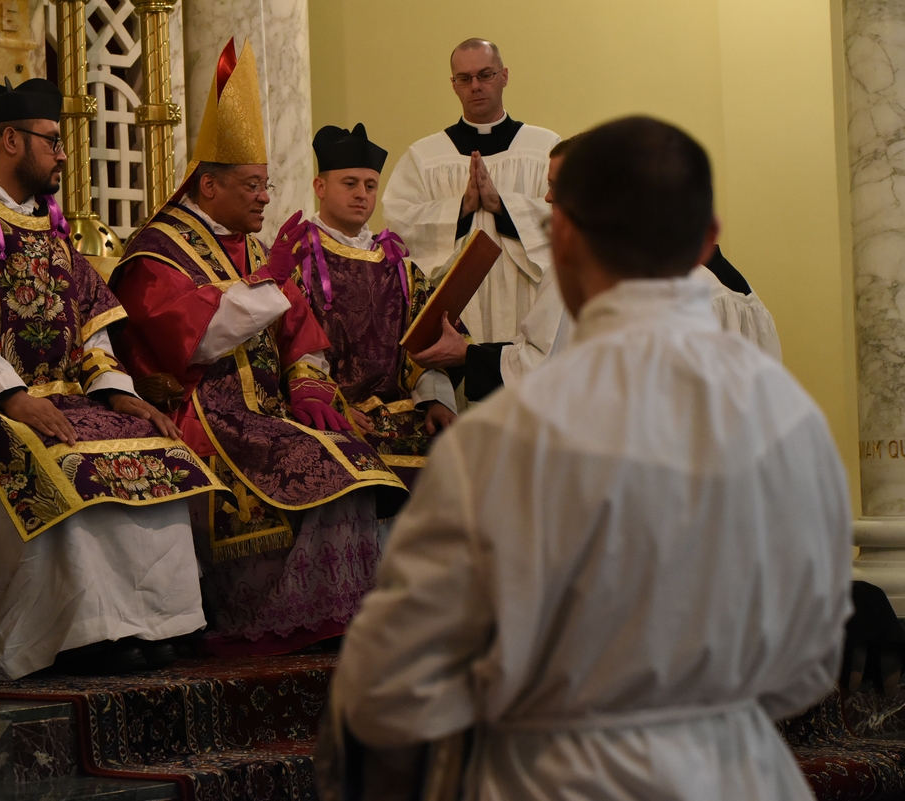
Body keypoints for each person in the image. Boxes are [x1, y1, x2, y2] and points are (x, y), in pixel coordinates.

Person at [331, 116, 851, 799]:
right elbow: (814, 658)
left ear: (563, 235)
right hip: (741, 769)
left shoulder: (504, 439)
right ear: (708, 240)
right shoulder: (791, 420)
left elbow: (389, 692)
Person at [111, 41, 408, 657]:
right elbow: (196, 339)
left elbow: (301, 331)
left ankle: (334, 617)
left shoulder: (249, 245)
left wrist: (308, 385)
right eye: (252, 185)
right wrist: (271, 278)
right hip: (203, 413)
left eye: (268, 186)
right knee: (327, 469)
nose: (265, 198)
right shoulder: (154, 253)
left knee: (354, 458)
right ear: (209, 183)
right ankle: (265, 618)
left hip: (265, 411)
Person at [0, 78, 225, 679]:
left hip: (60, 395)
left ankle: (154, 623)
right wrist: (11, 396)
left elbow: (91, 324)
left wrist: (120, 394)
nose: (65, 154)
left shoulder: (52, 227)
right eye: (53, 141)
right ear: (10, 140)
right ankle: (79, 632)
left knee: (150, 446)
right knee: (62, 456)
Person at [413, 136, 781, 399]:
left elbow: (547, 368)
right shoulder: (723, 276)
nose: (547, 198)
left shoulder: (593, 270)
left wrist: (465, 356)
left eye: (559, 186)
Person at [290, 123, 459, 488]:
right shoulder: (298, 260)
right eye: (349, 184)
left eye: (370, 185)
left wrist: (435, 400)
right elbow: (294, 348)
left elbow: (424, 343)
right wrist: (330, 405)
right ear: (320, 187)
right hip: (335, 418)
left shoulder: (398, 264)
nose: (361, 194)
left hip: (404, 415)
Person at [382, 38, 562, 355]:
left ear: (504, 75)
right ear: (453, 85)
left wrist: (502, 207)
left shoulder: (543, 147)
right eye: (464, 79)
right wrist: (461, 209)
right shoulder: (424, 156)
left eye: (485, 74)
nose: (475, 85)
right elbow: (399, 227)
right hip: (456, 309)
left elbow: (568, 221)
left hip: (528, 301)